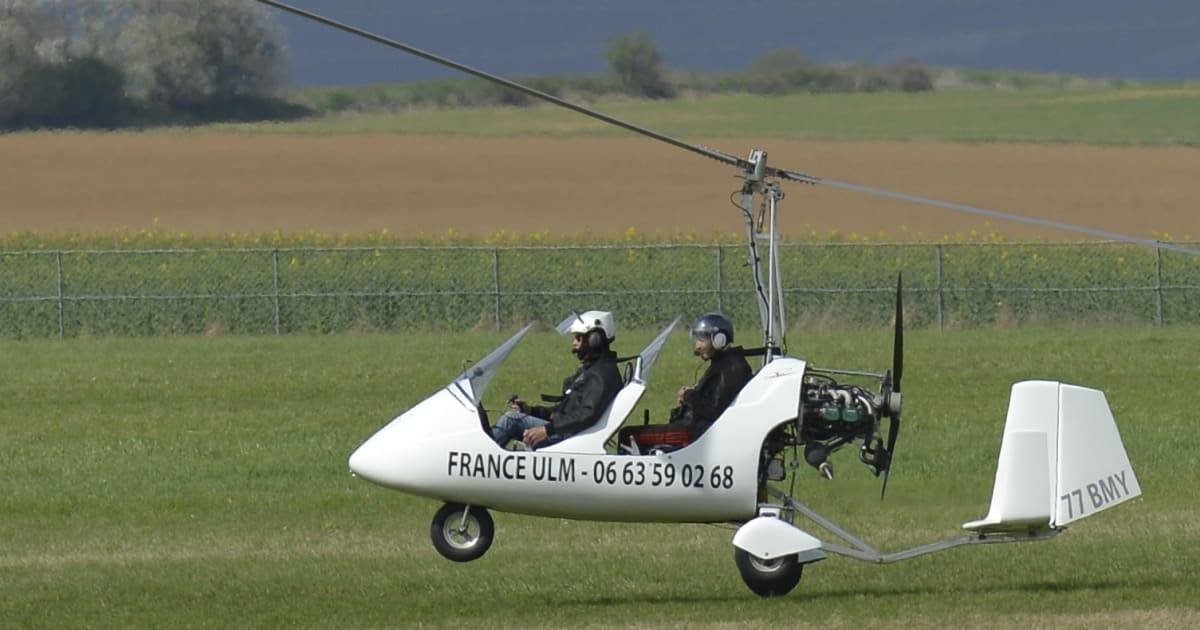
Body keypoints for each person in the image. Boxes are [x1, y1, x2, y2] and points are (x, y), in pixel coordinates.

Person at [491, 310, 623, 450]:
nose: (574, 343)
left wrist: (547, 430)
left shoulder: (600, 374)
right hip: (567, 432)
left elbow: (586, 415)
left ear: (594, 339)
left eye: (578, 338)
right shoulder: (596, 369)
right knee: (515, 417)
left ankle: (478, 457)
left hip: (569, 438)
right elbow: (566, 411)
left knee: (511, 420)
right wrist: (532, 411)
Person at [667, 312, 754, 437]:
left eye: (702, 339)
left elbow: (713, 409)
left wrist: (688, 395)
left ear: (719, 339)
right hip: (701, 431)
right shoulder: (723, 364)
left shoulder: (732, 368)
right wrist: (695, 393)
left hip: (704, 434)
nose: (697, 346)